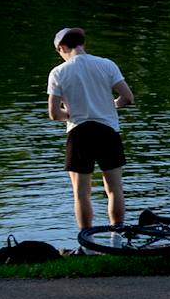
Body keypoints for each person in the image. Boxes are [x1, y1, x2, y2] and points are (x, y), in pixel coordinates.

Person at [47, 27, 135, 233]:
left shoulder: (58, 72)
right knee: (114, 190)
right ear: (82, 44)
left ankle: (88, 244)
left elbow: (53, 113)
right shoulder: (106, 64)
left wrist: (69, 113)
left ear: (61, 48)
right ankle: (117, 238)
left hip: (79, 133)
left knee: (81, 193)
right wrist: (110, 105)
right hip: (107, 131)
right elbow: (128, 98)